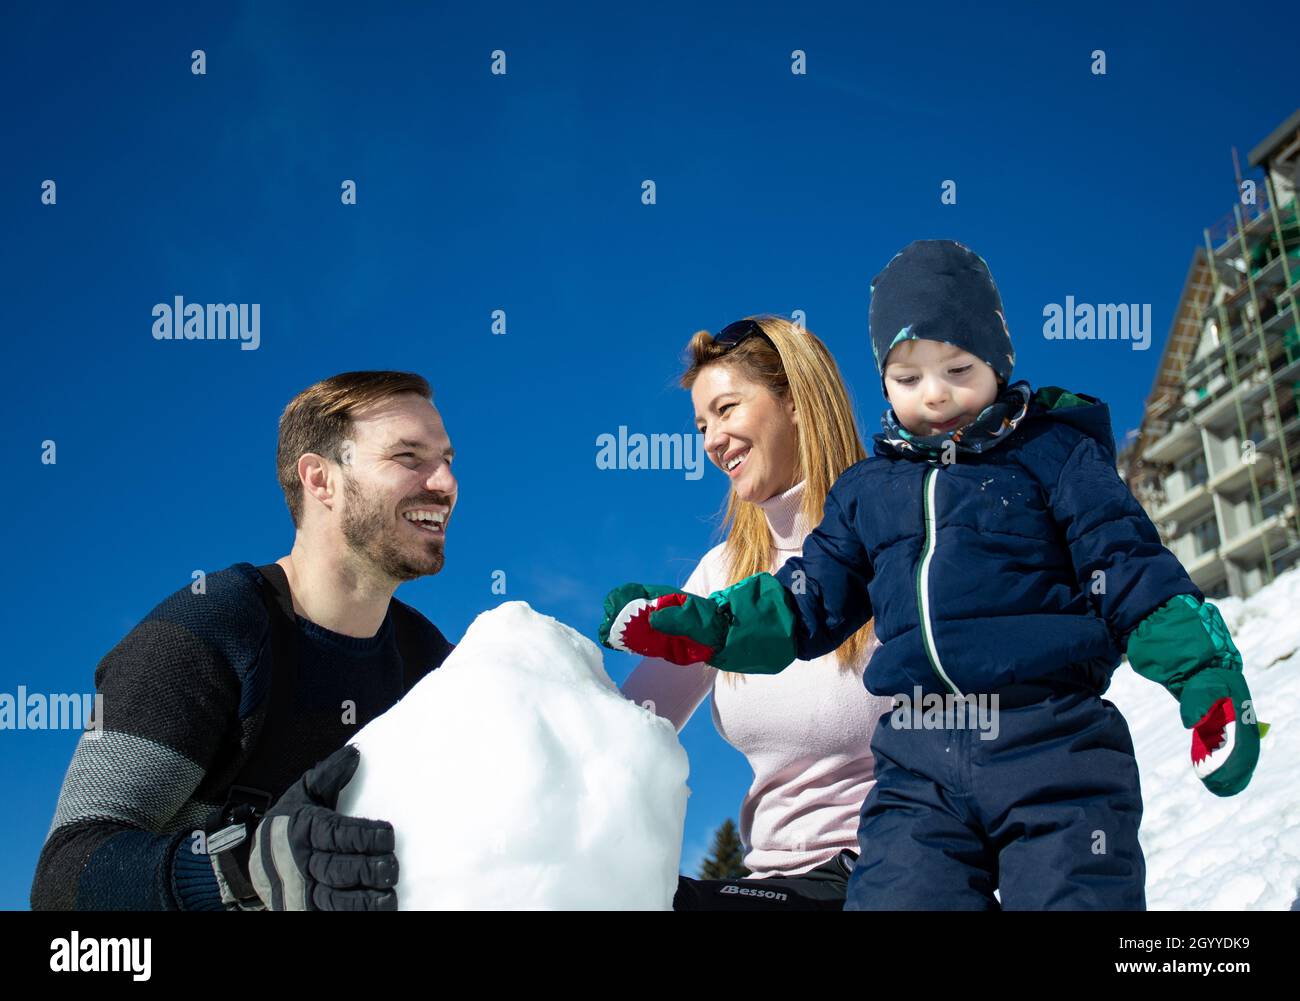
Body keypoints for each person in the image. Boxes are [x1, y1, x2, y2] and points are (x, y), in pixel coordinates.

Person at [600, 240, 1263, 910]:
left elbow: (1128, 567)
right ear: (887, 380)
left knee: (1067, 881)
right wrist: (693, 624)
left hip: (1022, 759)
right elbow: (795, 610)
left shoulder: (1045, 462)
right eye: (909, 377)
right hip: (906, 792)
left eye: (957, 367)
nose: (936, 393)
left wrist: (1202, 674)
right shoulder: (859, 506)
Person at [30, 370, 457, 911]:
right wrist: (244, 867)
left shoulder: (433, 666)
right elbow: (61, 881)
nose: (443, 482)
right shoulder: (209, 631)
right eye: (408, 457)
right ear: (320, 479)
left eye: (447, 459)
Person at [607, 316, 895, 911]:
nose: (712, 439)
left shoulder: (898, 540)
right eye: (702, 424)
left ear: (795, 399)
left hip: (894, 875)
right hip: (773, 886)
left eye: (728, 409)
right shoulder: (725, 572)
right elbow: (630, 730)